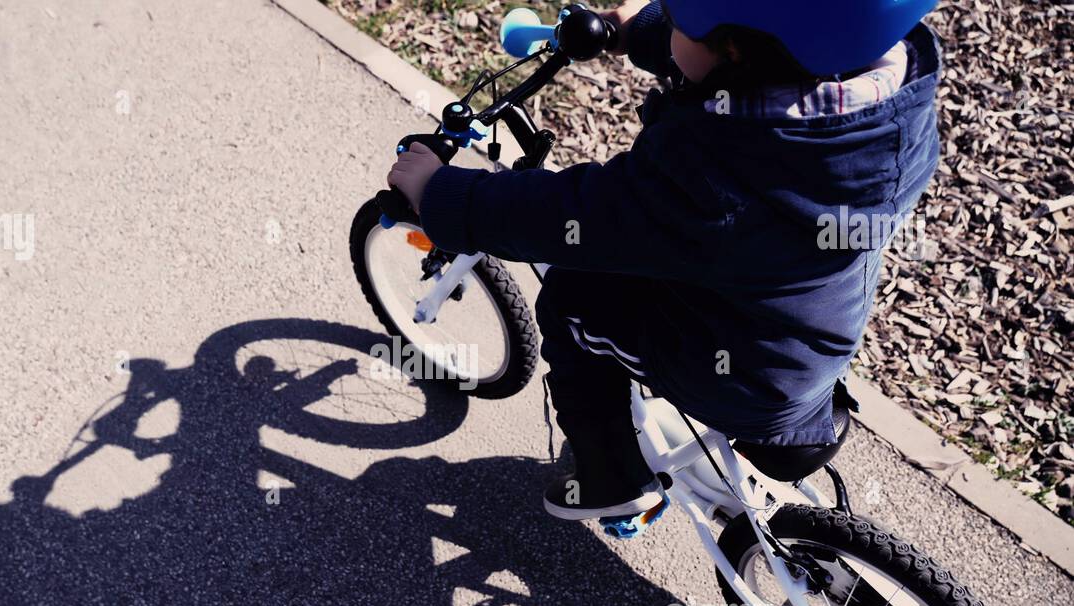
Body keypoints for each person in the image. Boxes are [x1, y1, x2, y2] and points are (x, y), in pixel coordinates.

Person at [387, 0, 941, 520]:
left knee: (572, 301)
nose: (670, 19)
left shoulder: (711, 179)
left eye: (678, 14)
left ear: (735, 52)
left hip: (743, 377)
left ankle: (610, 480)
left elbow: (574, 216)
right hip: (804, 335)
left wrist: (442, 193)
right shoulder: (887, 97)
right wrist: (649, 28)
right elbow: (745, 55)